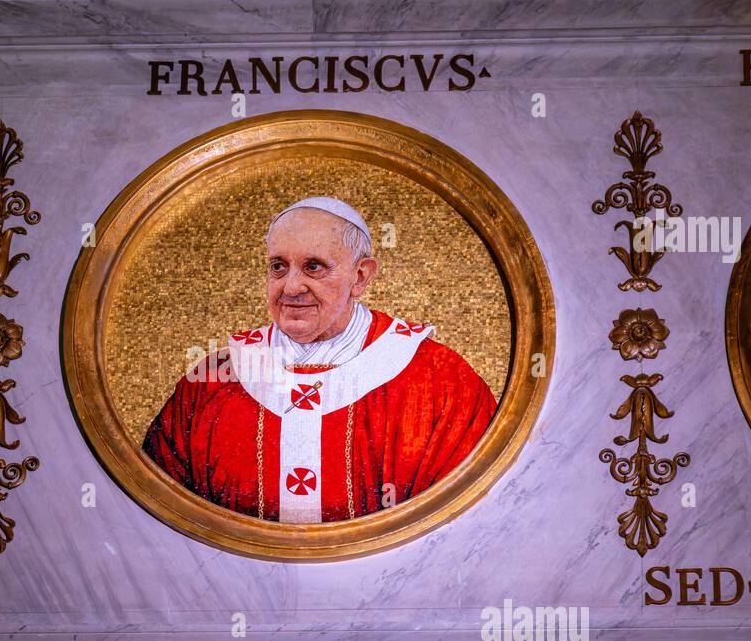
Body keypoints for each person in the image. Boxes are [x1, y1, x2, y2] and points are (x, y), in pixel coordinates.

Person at [143, 196, 496, 523]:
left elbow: (469, 521)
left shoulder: (440, 381)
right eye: (278, 267)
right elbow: (160, 515)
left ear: (360, 277)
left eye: (314, 267)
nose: (291, 287)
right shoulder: (212, 381)